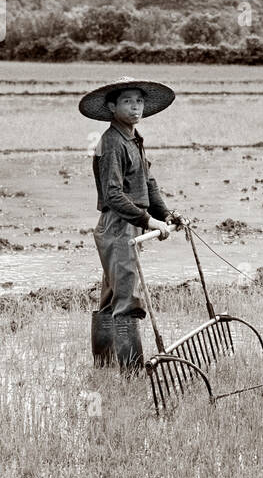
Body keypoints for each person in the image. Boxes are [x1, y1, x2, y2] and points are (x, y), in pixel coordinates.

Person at [78, 80, 185, 371]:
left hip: (128, 224)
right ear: (112, 107)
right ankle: (133, 373)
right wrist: (147, 220)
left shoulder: (134, 138)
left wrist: (166, 215)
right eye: (127, 101)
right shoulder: (111, 142)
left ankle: (103, 365)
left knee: (113, 295)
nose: (135, 106)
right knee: (127, 300)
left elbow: (147, 182)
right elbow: (113, 194)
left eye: (138, 101)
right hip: (118, 225)